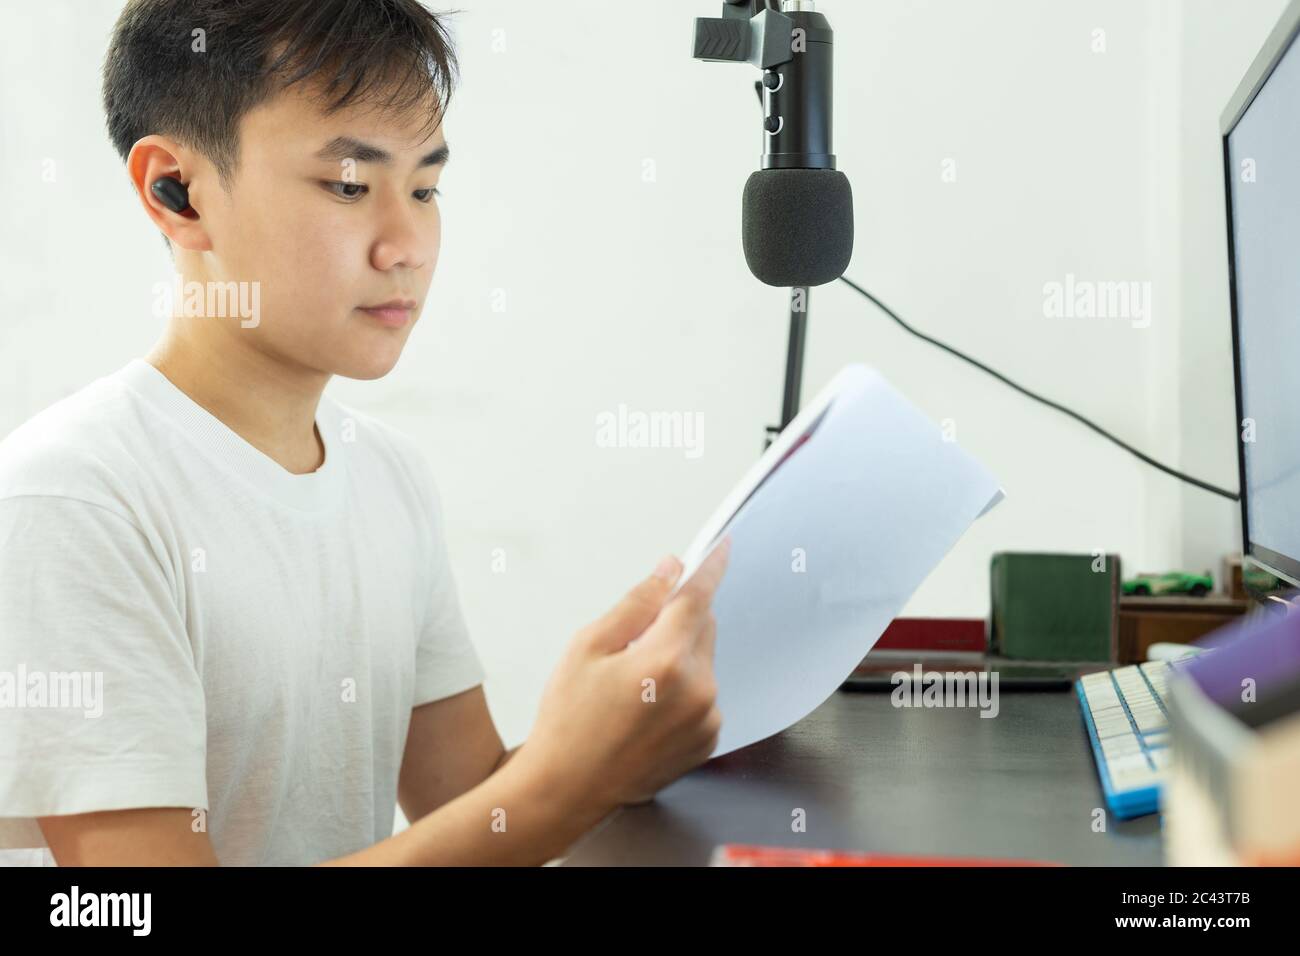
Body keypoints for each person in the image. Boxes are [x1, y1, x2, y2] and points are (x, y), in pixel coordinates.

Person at [0, 0, 728, 866]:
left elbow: (479, 809)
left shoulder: (389, 476)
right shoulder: (74, 501)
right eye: (350, 185)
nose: (407, 244)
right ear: (178, 191)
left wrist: (618, 732)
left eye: (425, 189)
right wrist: (562, 779)